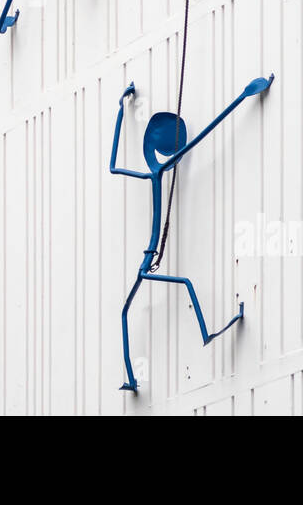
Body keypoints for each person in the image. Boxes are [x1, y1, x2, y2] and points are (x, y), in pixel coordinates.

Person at [108, 75, 273, 392]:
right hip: (148, 255)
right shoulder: (156, 169)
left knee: (148, 300)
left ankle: (201, 335)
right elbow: (114, 166)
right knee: (132, 307)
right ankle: (135, 375)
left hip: (149, 255)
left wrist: (245, 94)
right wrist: (121, 107)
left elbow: (115, 165)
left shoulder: (156, 167)